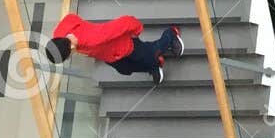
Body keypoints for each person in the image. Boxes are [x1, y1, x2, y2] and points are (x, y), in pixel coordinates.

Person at [45, 14, 182, 84]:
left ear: (71, 48)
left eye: (68, 55)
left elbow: (116, 27)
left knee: (153, 51)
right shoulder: (60, 33)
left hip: (125, 45)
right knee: (125, 69)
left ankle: (171, 34)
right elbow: (71, 17)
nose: (70, 57)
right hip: (109, 55)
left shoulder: (92, 38)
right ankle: (153, 66)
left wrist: (136, 26)